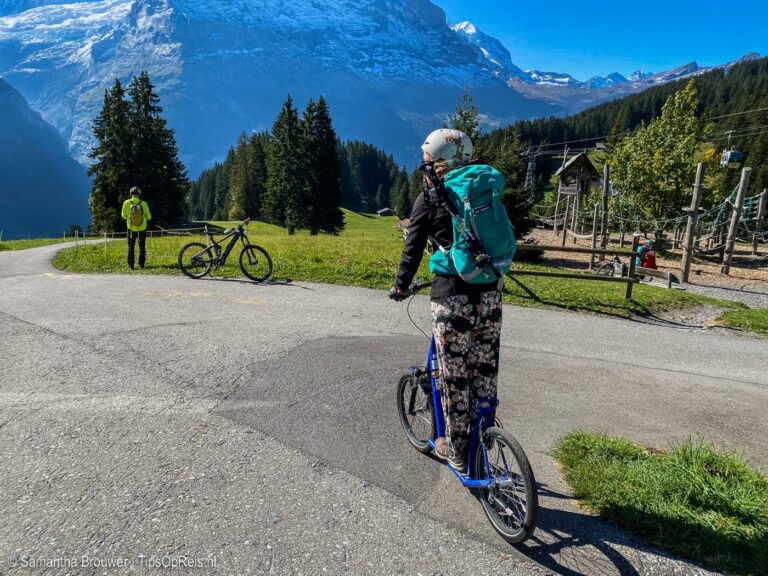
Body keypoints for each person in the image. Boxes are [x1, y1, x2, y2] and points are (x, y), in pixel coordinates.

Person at [389, 128, 504, 472]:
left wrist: (400, 286)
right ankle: (485, 437)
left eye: (425, 160)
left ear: (436, 162)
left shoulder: (431, 197)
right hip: (490, 295)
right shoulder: (484, 191)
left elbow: (412, 249)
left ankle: (455, 448)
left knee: (453, 379)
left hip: (452, 299)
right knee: (484, 372)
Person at [121, 186, 152, 269]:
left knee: (131, 247)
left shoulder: (126, 203)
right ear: (139, 194)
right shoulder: (143, 203)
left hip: (130, 229)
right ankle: (141, 265)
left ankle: (131, 266)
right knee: (142, 246)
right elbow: (149, 217)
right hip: (142, 229)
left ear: (131, 193)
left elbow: (123, 216)